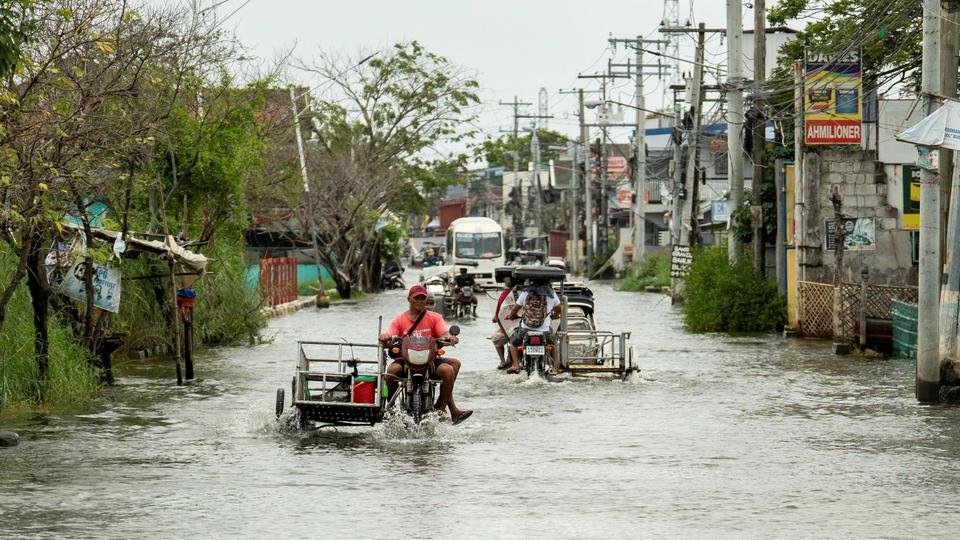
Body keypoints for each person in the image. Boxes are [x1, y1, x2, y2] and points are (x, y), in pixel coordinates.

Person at [378, 284, 473, 424]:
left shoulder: (435, 317)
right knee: (391, 372)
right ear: (409, 299)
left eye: (423, 298)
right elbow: (390, 334)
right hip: (406, 361)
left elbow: (444, 333)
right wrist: (385, 337)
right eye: (417, 298)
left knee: (449, 369)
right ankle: (390, 409)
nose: (420, 301)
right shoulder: (399, 320)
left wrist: (450, 338)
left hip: (430, 361)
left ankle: (440, 410)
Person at [504, 279, 562, 374]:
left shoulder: (526, 292)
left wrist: (511, 316)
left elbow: (515, 308)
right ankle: (555, 367)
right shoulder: (551, 294)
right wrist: (555, 316)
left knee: (513, 343)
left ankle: (515, 365)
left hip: (525, 329)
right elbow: (559, 308)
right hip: (545, 330)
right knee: (553, 344)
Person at [490, 274, 520, 369]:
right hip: (514, 325)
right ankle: (504, 361)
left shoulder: (521, 294)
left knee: (496, 338)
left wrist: (496, 318)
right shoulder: (525, 293)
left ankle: (503, 361)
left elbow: (498, 313)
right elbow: (499, 311)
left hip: (515, 326)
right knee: (497, 338)